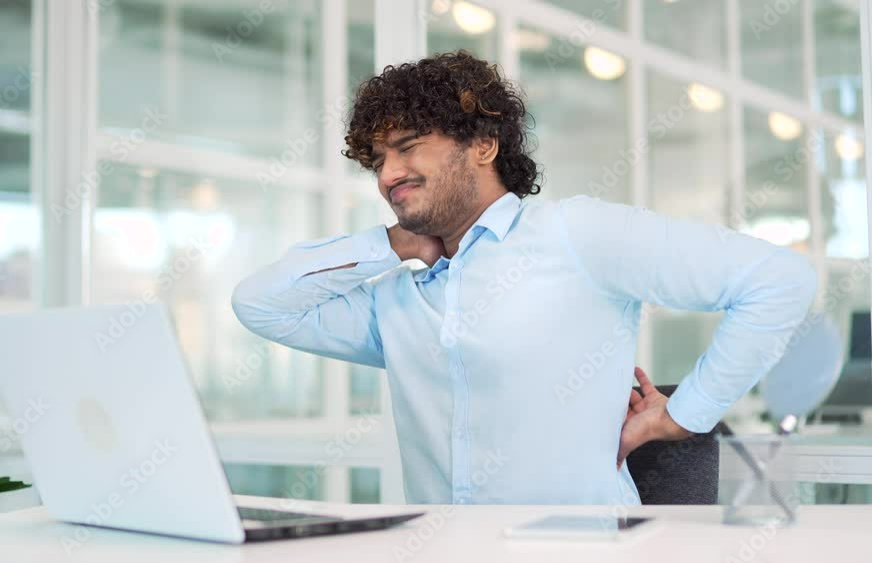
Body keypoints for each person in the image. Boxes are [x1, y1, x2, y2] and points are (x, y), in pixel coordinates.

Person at [232, 51, 817, 505]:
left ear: (484, 146)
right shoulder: (398, 298)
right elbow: (261, 304)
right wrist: (391, 244)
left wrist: (687, 413)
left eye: (407, 148)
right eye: (378, 161)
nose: (388, 175)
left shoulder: (577, 235)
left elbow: (780, 280)